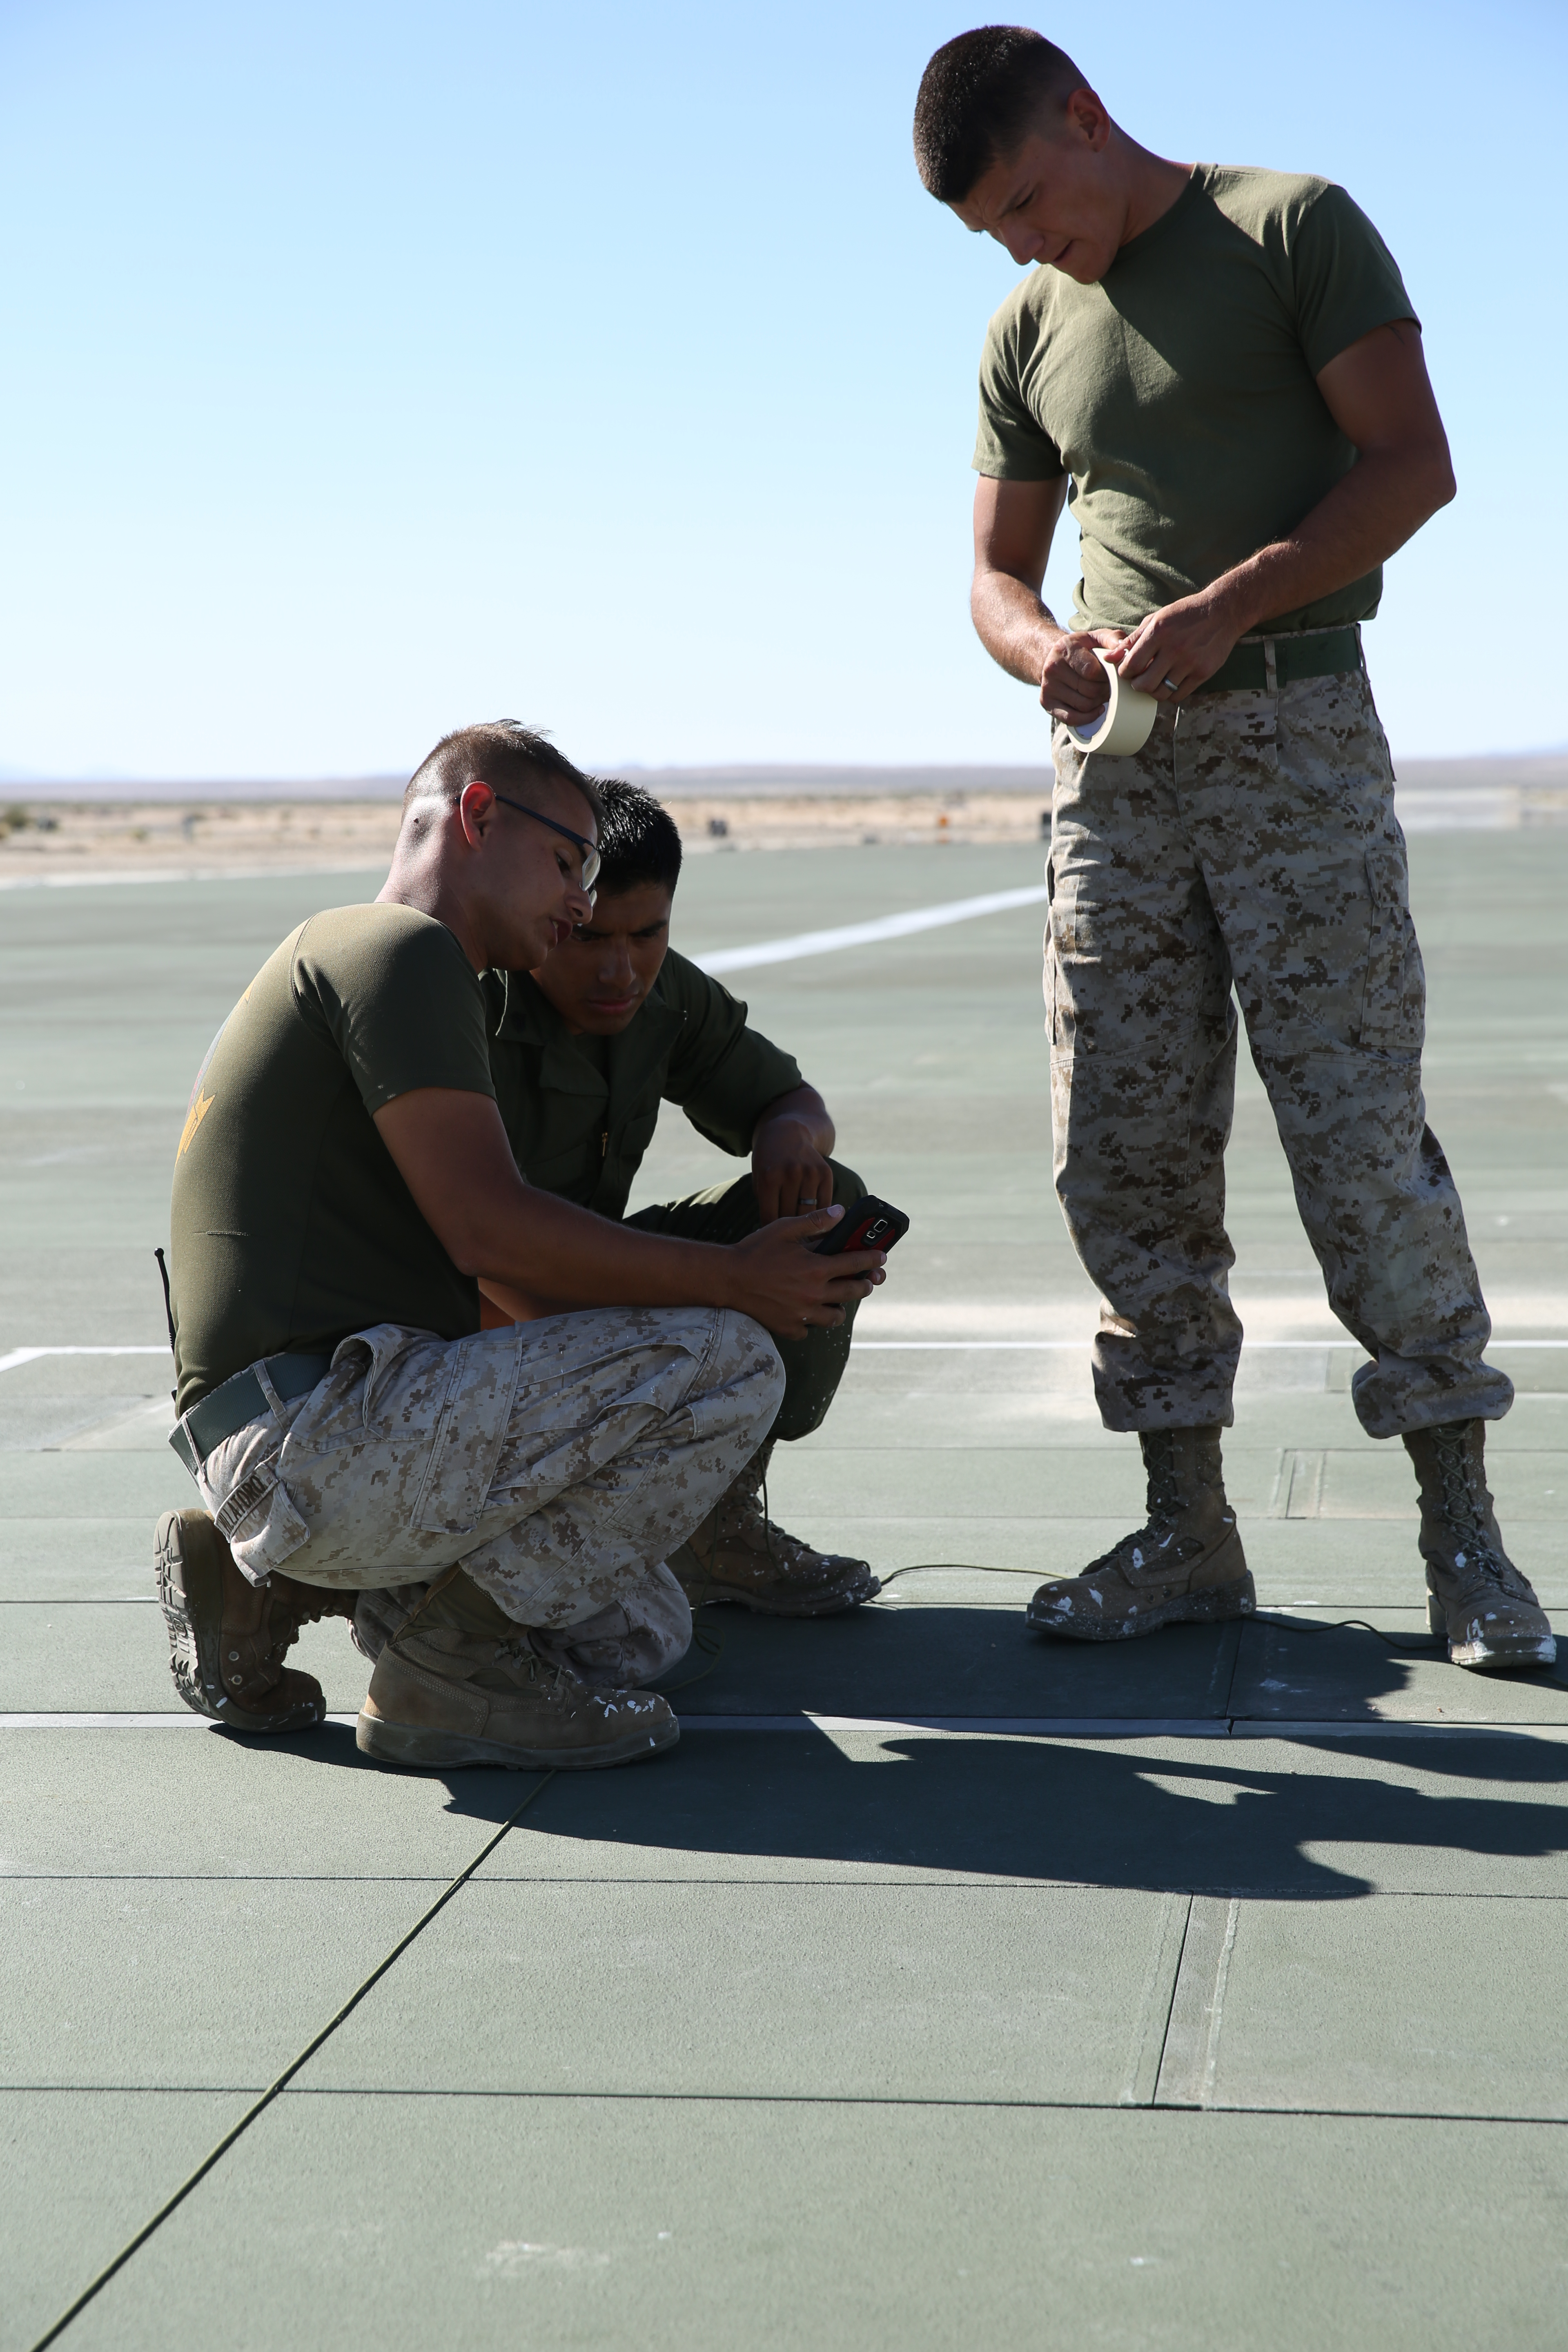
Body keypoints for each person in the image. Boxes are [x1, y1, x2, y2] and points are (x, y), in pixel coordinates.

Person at [912, 27, 1553, 1673]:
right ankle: (1188, 1532)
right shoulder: (1024, 328)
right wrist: (1039, 644)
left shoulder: (1294, 227)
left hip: (1296, 735)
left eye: (1036, 201)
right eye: (998, 230)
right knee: (1120, 1147)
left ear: (1086, 113)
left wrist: (1226, 608)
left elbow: (1418, 463)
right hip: (1112, 782)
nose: (1030, 243)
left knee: (1357, 1135)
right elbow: (991, 578)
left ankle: (1466, 1547)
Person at [157, 721, 887, 1769]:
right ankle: (449, 1676)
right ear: (478, 813)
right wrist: (733, 1280)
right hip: (316, 1429)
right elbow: (487, 1229)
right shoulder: (399, 950)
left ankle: (270, 1587)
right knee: (725, 1358)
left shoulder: (395, 960)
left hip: (325, 1433)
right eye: (566, 863)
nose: (583, 904)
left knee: (641, 1631)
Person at [479, 777, 878, 1617]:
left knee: (822, 1210)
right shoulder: (472, 1004)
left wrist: (787, 1135)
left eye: (649, 933)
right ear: (553, 910)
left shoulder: (664, 996)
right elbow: (481, 1250)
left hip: (584, 1275)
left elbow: (794, 1100)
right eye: (589, 938)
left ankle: (717, 1530)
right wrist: (707, 1288)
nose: (620, 969)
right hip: (460, 1304)